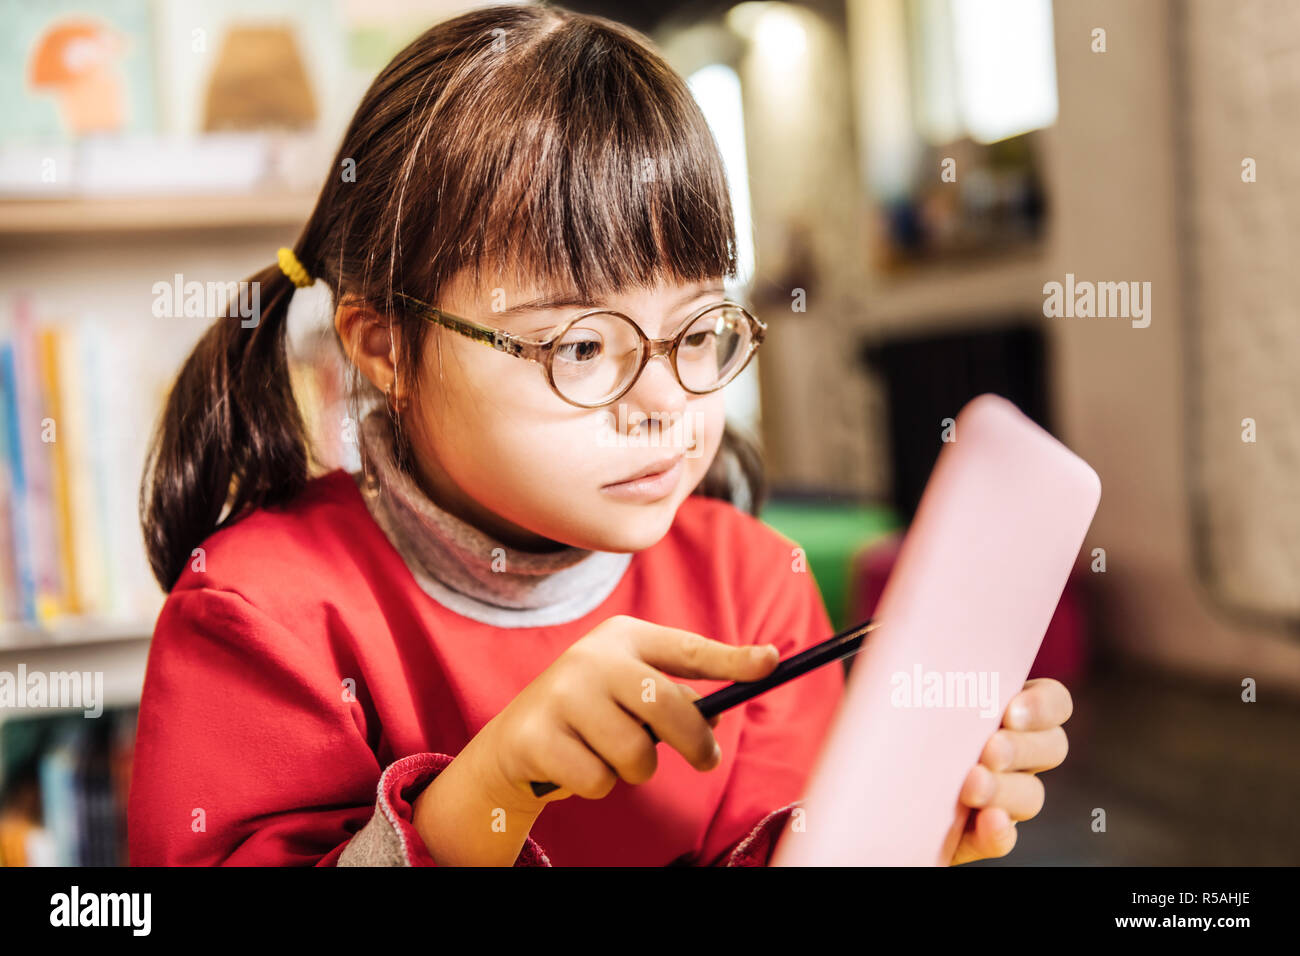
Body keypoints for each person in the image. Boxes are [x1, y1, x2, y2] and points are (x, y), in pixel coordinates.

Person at [129, 2, 1070, 866]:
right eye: (581, 345)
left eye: (700, 331)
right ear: (385, 346)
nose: (666, 400)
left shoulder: (753, 589)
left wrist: (900, 833)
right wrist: (493, 790)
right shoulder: (257, 612)